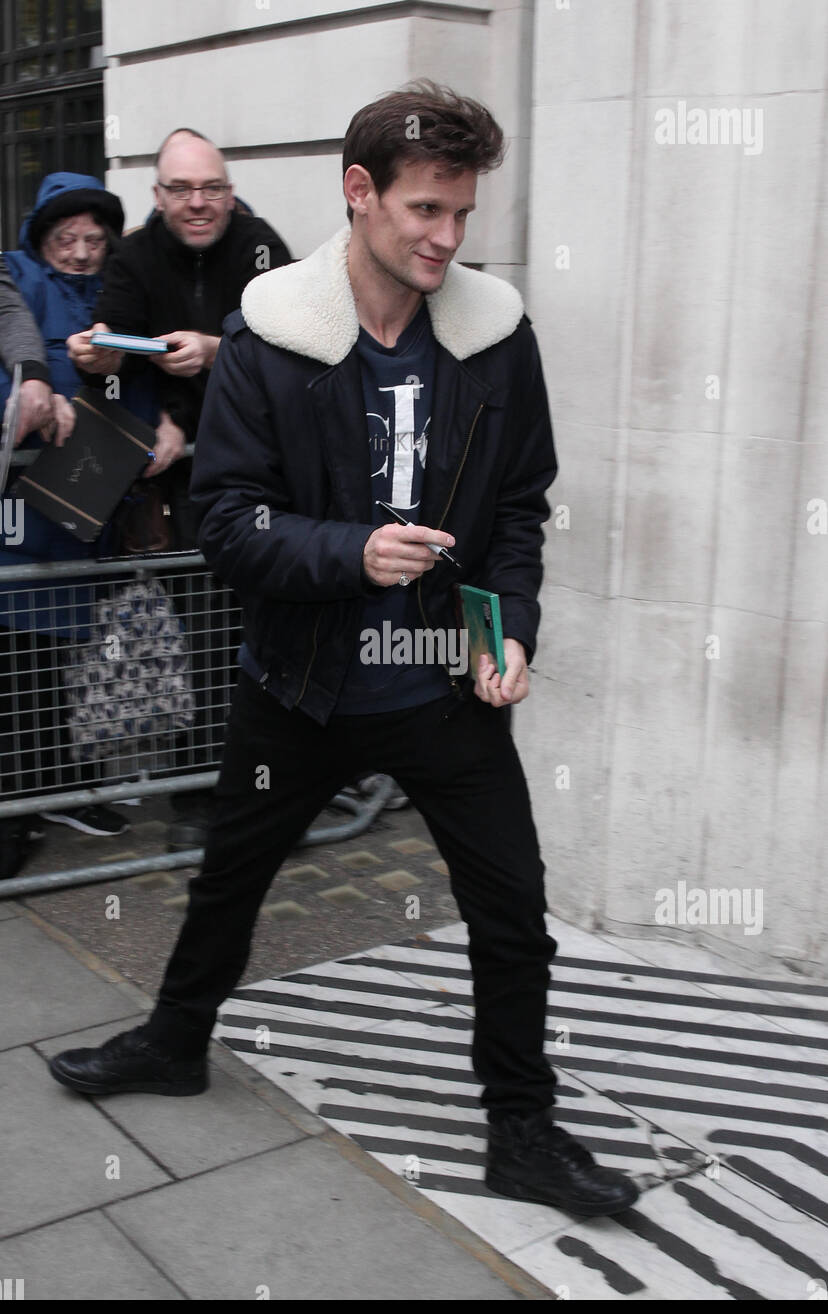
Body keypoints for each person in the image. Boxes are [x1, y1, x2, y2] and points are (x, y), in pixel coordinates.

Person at [49, 84, 638, 1218]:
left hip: (443, 686)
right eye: (425, 208)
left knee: (513, 907)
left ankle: (522, 1126)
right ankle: (177, 1041)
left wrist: (506, 632)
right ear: (359, 194)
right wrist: (349, 552)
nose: (447, 237)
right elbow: (226, 516)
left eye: (462, 213)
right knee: (229, 879)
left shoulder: (496, 334)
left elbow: (520, 508)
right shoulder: (275, 336)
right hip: (300, 682)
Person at [66, 129, 293, 847]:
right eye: (182, 190)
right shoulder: (133, 255)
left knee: (259, 632)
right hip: (179, 486)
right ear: (158, 196)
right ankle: (201, 799)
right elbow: (113, 364)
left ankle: (262, 789)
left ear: (229, 190)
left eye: (212, 188)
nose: (199, 203)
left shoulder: (261, 244)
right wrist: (105, 359)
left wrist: (217, 351)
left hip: (262, 474)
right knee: (203, 632)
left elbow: (300, 342)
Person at [0, 174, 130, 877]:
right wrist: (33, 394)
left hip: (85, 509)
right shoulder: (16, 281)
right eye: (65, 239)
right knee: (19, 669)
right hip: (23, 520)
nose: (80, 252)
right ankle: (14, 814)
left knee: (65, 667)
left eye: (92, 239)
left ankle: (63, 787)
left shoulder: (116, 291)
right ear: (40, 240)